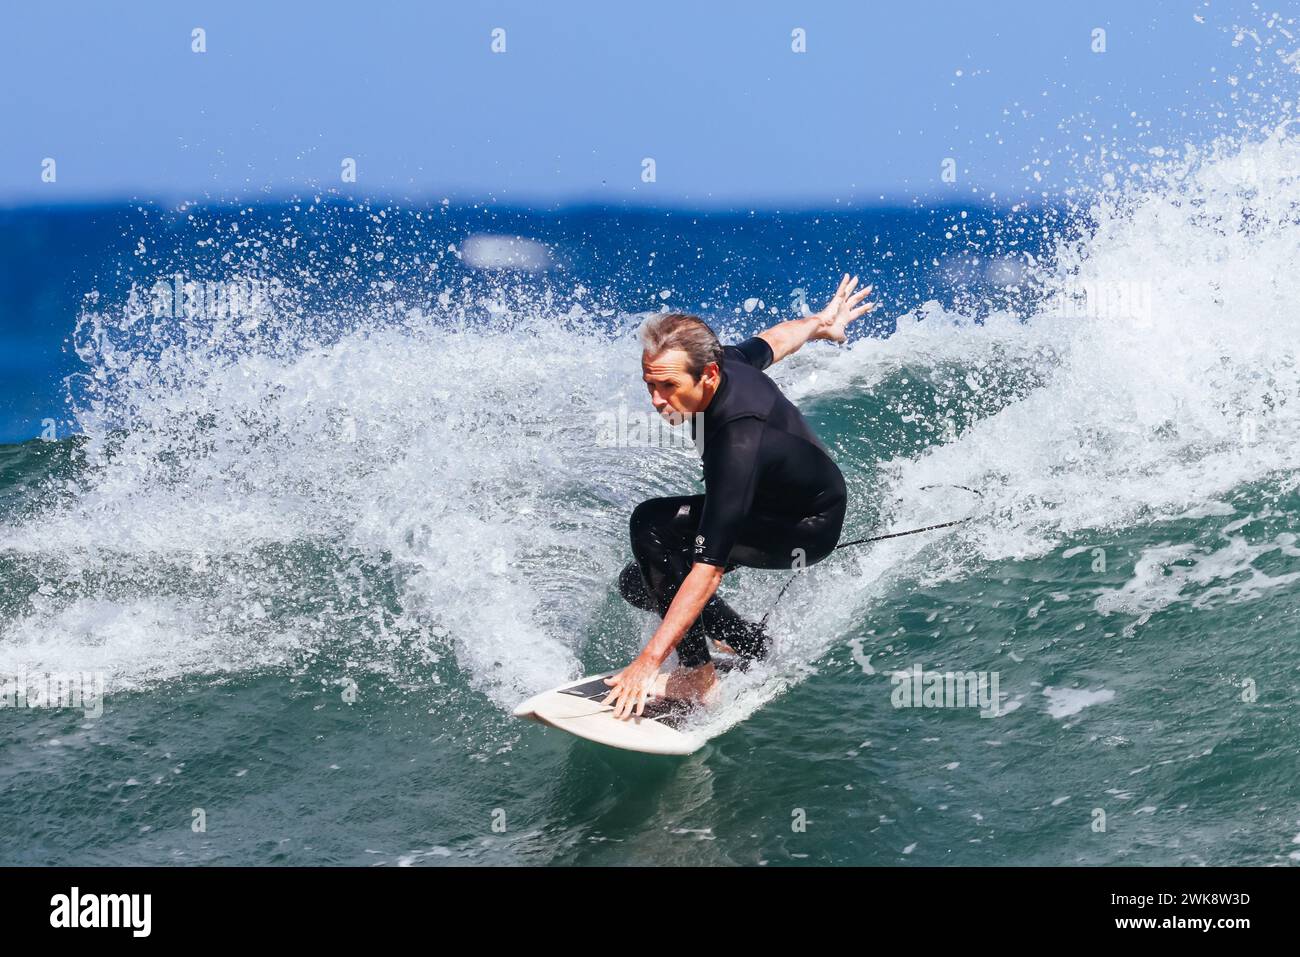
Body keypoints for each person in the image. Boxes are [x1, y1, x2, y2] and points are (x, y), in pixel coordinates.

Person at [603, 274, 876, 719]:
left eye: (668, 386)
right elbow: (774, 341)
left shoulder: (738, 440)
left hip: (803, 528)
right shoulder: (723, 362)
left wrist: (648, 662)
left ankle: (697, 676)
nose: (656, 400)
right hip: (768, 506)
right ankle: (750, 642)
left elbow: (708, 571)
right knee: (643, 582)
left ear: (708, 375)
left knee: (652, 525)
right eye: (649, 383)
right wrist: (821, 323)